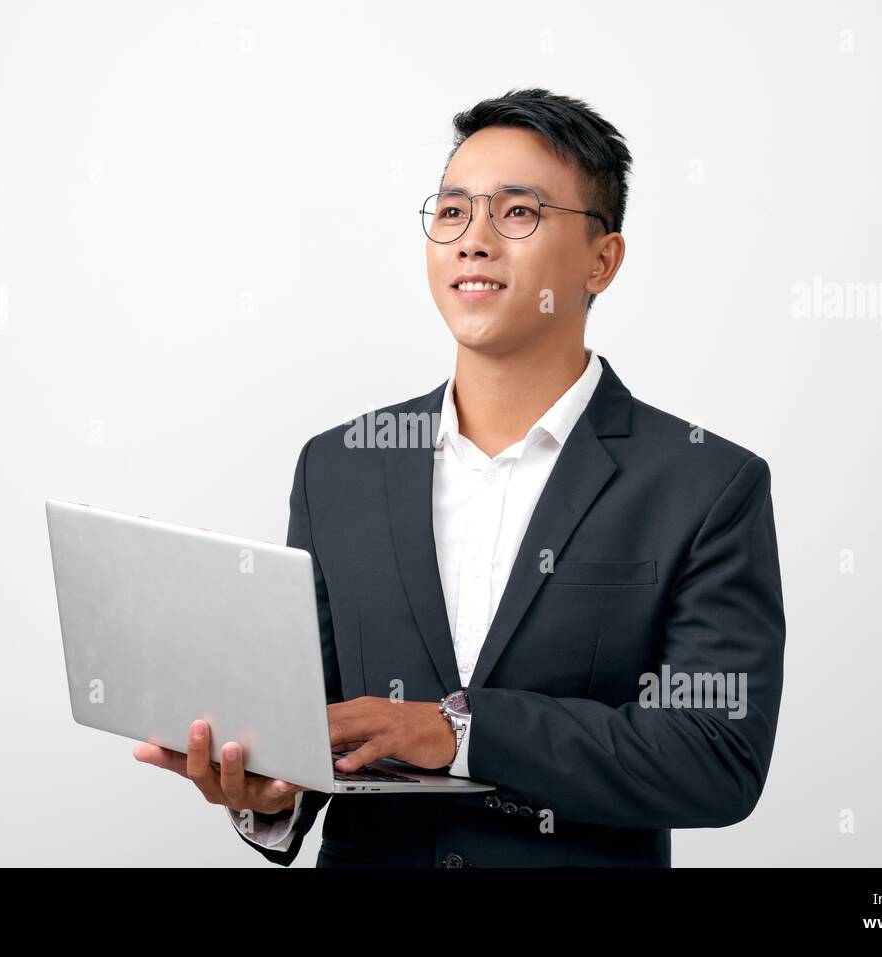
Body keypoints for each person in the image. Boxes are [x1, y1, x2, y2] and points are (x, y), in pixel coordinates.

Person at [134, 88, 785, 867]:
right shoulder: (339, 466)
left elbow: (714, 754)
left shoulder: (704, 483)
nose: (474, 240)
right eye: (452, 213)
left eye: (517, 214)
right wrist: (272, 793)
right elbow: (314, 724)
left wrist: (462, 732)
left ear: (602, 261)